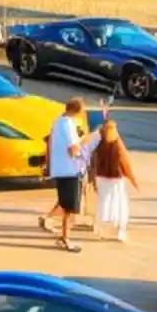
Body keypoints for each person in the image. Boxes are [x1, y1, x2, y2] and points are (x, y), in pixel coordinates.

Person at [39, 98, 104, 252]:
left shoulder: (58, 121)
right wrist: (90, 138)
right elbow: (73, 149)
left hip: (61, 169)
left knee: (66, 203)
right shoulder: (68, 125)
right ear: (78, 111)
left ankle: (58, 230)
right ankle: (65, 238)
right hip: (71, 170)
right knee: (70, 208)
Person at [85, 120, 137, 241]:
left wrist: (91, 179)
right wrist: (133, 181)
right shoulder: (117, 144)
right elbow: (126, 164)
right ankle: (120, 231)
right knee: (120, 203)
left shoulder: (99, 144)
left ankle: (100, 228)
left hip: (101, 178)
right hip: (116, 179)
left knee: (103, 202)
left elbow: (92, 162)